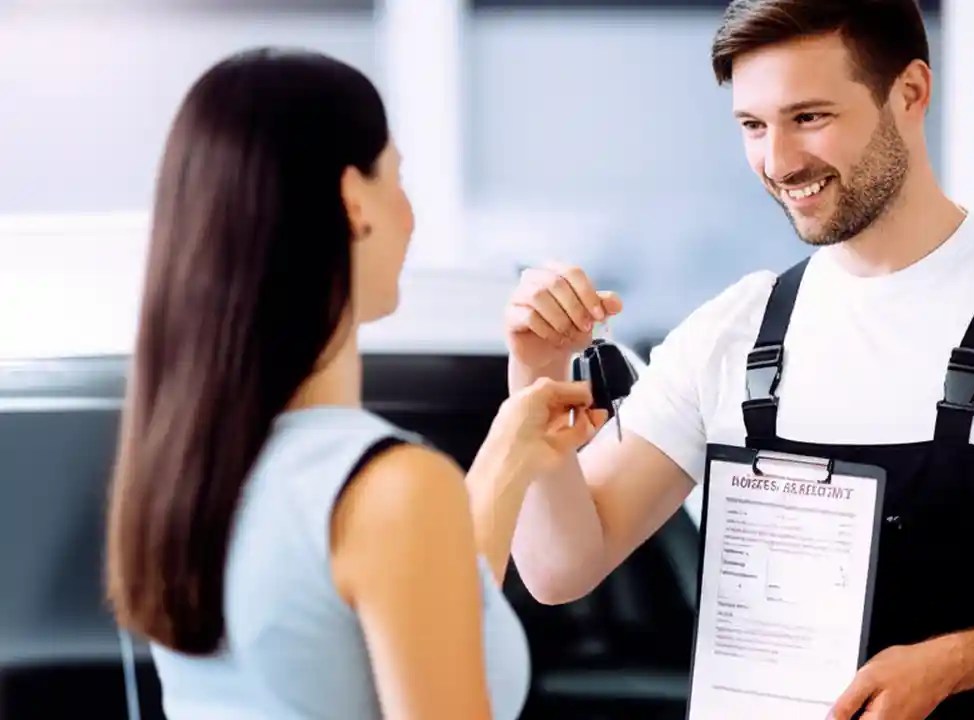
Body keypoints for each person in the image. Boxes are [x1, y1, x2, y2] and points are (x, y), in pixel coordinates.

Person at [503, 1, 974, 718]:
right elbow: (561, 568)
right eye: (754, 126)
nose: (779, 161)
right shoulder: (732, 331)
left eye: (810, 117)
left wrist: (956, 663)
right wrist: (536, 377)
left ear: (910, 92)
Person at [104, 48, 607, 720]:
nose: (410, 215)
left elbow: (400, 629)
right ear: (352, 200)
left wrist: (508, 460)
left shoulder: (186, 473)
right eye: (395, 178)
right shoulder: (391, 490)